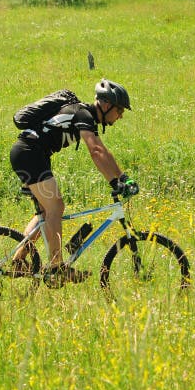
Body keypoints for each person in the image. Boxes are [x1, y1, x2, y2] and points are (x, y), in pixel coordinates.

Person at [9, 79, 138, 286]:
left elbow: (103, 152)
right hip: (29, 153)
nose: (121, 115)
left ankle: (18, 261)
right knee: (56, 206)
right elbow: (96, 152)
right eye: (120, 110)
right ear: (106, 105)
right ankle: (56, 268)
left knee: (46, 211)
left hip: (31, 154)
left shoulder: (85, 116)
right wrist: (115, 182)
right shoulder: (82, 114)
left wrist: (123, 178)